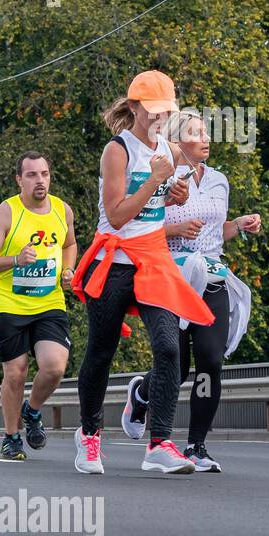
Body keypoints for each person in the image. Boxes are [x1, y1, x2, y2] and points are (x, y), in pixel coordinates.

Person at [70, 71, 214, 475]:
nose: (158, 118)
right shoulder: (117, 150)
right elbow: (116, 217)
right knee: (102, 350)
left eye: (165, 112)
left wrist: (173, 195)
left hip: (154, 260)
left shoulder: (170, 150)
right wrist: (154, 181)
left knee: (170, 348)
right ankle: (90, 434)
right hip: (113, 261)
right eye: (151, 111)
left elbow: (153, 208)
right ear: (133, 107)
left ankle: (160, 443)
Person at [122, 110, 261, 472]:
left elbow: (215, 234)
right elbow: (136, 229)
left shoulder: (218, 180)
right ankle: (141, 394)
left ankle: (197, 445)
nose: (206, 139)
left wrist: (239, 226)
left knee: (211, 360)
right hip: (170, 275)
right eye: (197, 133)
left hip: (211, 276)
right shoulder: (162, 175)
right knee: (177, 366)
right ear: (176, 140)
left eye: (206, 132)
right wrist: (174, 230)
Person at [0, 152, 77, 460]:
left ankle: (31, 411)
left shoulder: (62, 210)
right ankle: (11, 436)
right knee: (16, 373)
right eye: (32, 175)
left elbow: (69, 244)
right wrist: (15, 260)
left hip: (49, 301)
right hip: (11, 303)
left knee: (55, 367)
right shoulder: (6, 212)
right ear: (19, 179)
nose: (40, 180)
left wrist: (68, 270)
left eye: (44, 174)